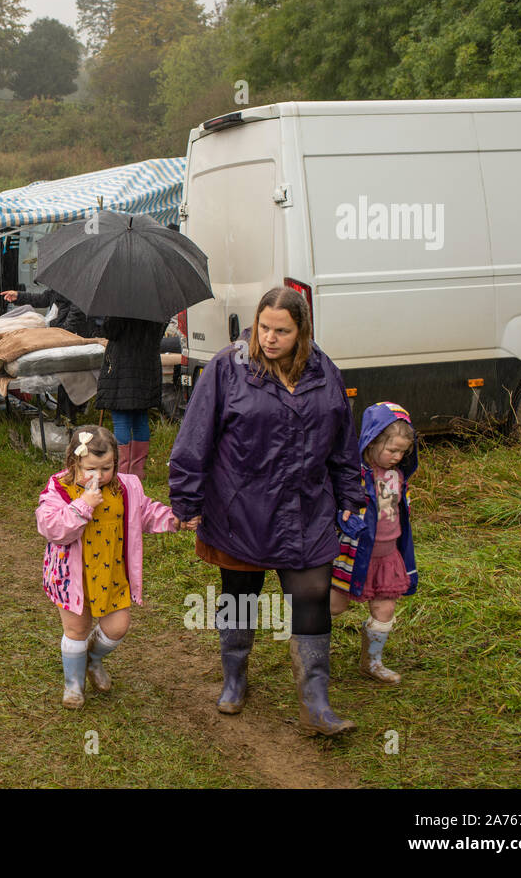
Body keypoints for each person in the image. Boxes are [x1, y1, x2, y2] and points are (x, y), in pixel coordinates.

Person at [168, 286, 366, 736]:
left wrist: (350, 494)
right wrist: (187, 498)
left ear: (302, 332)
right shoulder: (228, 367)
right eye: (264, 328)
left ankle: (316, 703)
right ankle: (235, 678)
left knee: (312, 593)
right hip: (241, 506)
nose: (271, 338)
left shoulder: (324, 371)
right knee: (240, 592)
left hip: (307, 508)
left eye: (282, 330)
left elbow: (342, 443)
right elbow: (194, 437)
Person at [36, 425, 178, 708]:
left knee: (117, 627)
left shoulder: (126, 487)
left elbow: (146, 513)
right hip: (73, 577)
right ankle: (73, 687)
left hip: (112, 573)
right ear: (73, 463)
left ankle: (92, 660)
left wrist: (173, 519)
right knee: (77, 629)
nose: (99, 477)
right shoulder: (60, 489)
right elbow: (52, 528)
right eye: (91, 469)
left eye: (106, 468)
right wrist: (82, 506)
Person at [331, 402, 419, 685]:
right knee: (334, 605)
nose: (397, 457)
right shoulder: (352, 476)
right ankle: (309, 647)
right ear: (371, 441)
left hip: (387, 555)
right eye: (391, 450)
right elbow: (336, 507)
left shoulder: (397, 476)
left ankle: (372, 661)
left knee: (385, 609)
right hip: (353, 554)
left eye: (403, 452)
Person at [95, 316, 168, 480]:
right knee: (140, 418)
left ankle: (122, 472)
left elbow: (110, 332)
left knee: (121, 419)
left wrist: (108, 316)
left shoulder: (121, 307)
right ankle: (137, 471)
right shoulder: (156, 308)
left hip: (122, 367)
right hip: (147, 367)